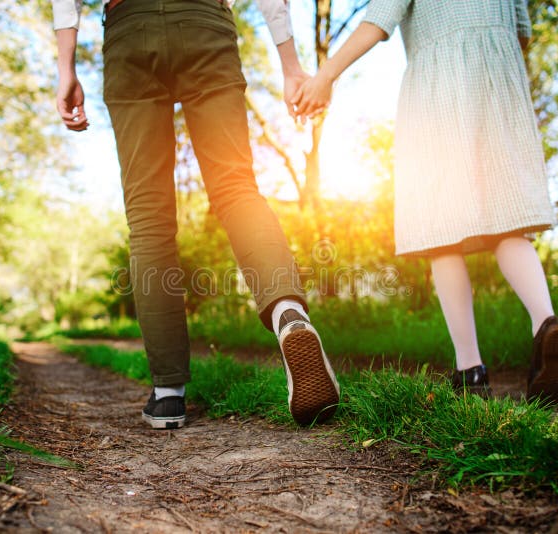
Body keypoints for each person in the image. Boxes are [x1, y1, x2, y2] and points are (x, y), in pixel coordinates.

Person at [50, 0, 340, 427]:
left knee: (149, 217)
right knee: (237, 189)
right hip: (206, 25)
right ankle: (286, 311)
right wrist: (291, 65)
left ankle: (168, 393)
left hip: (131, 29)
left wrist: (66, 68)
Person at [293, 0, 558, 402]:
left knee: (443, 233)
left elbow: (378, 21)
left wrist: (325, 75)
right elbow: (522, 33)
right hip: (500, 79)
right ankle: (547, 323)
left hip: (439, 88)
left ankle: (470, 372)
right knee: (509, 222)